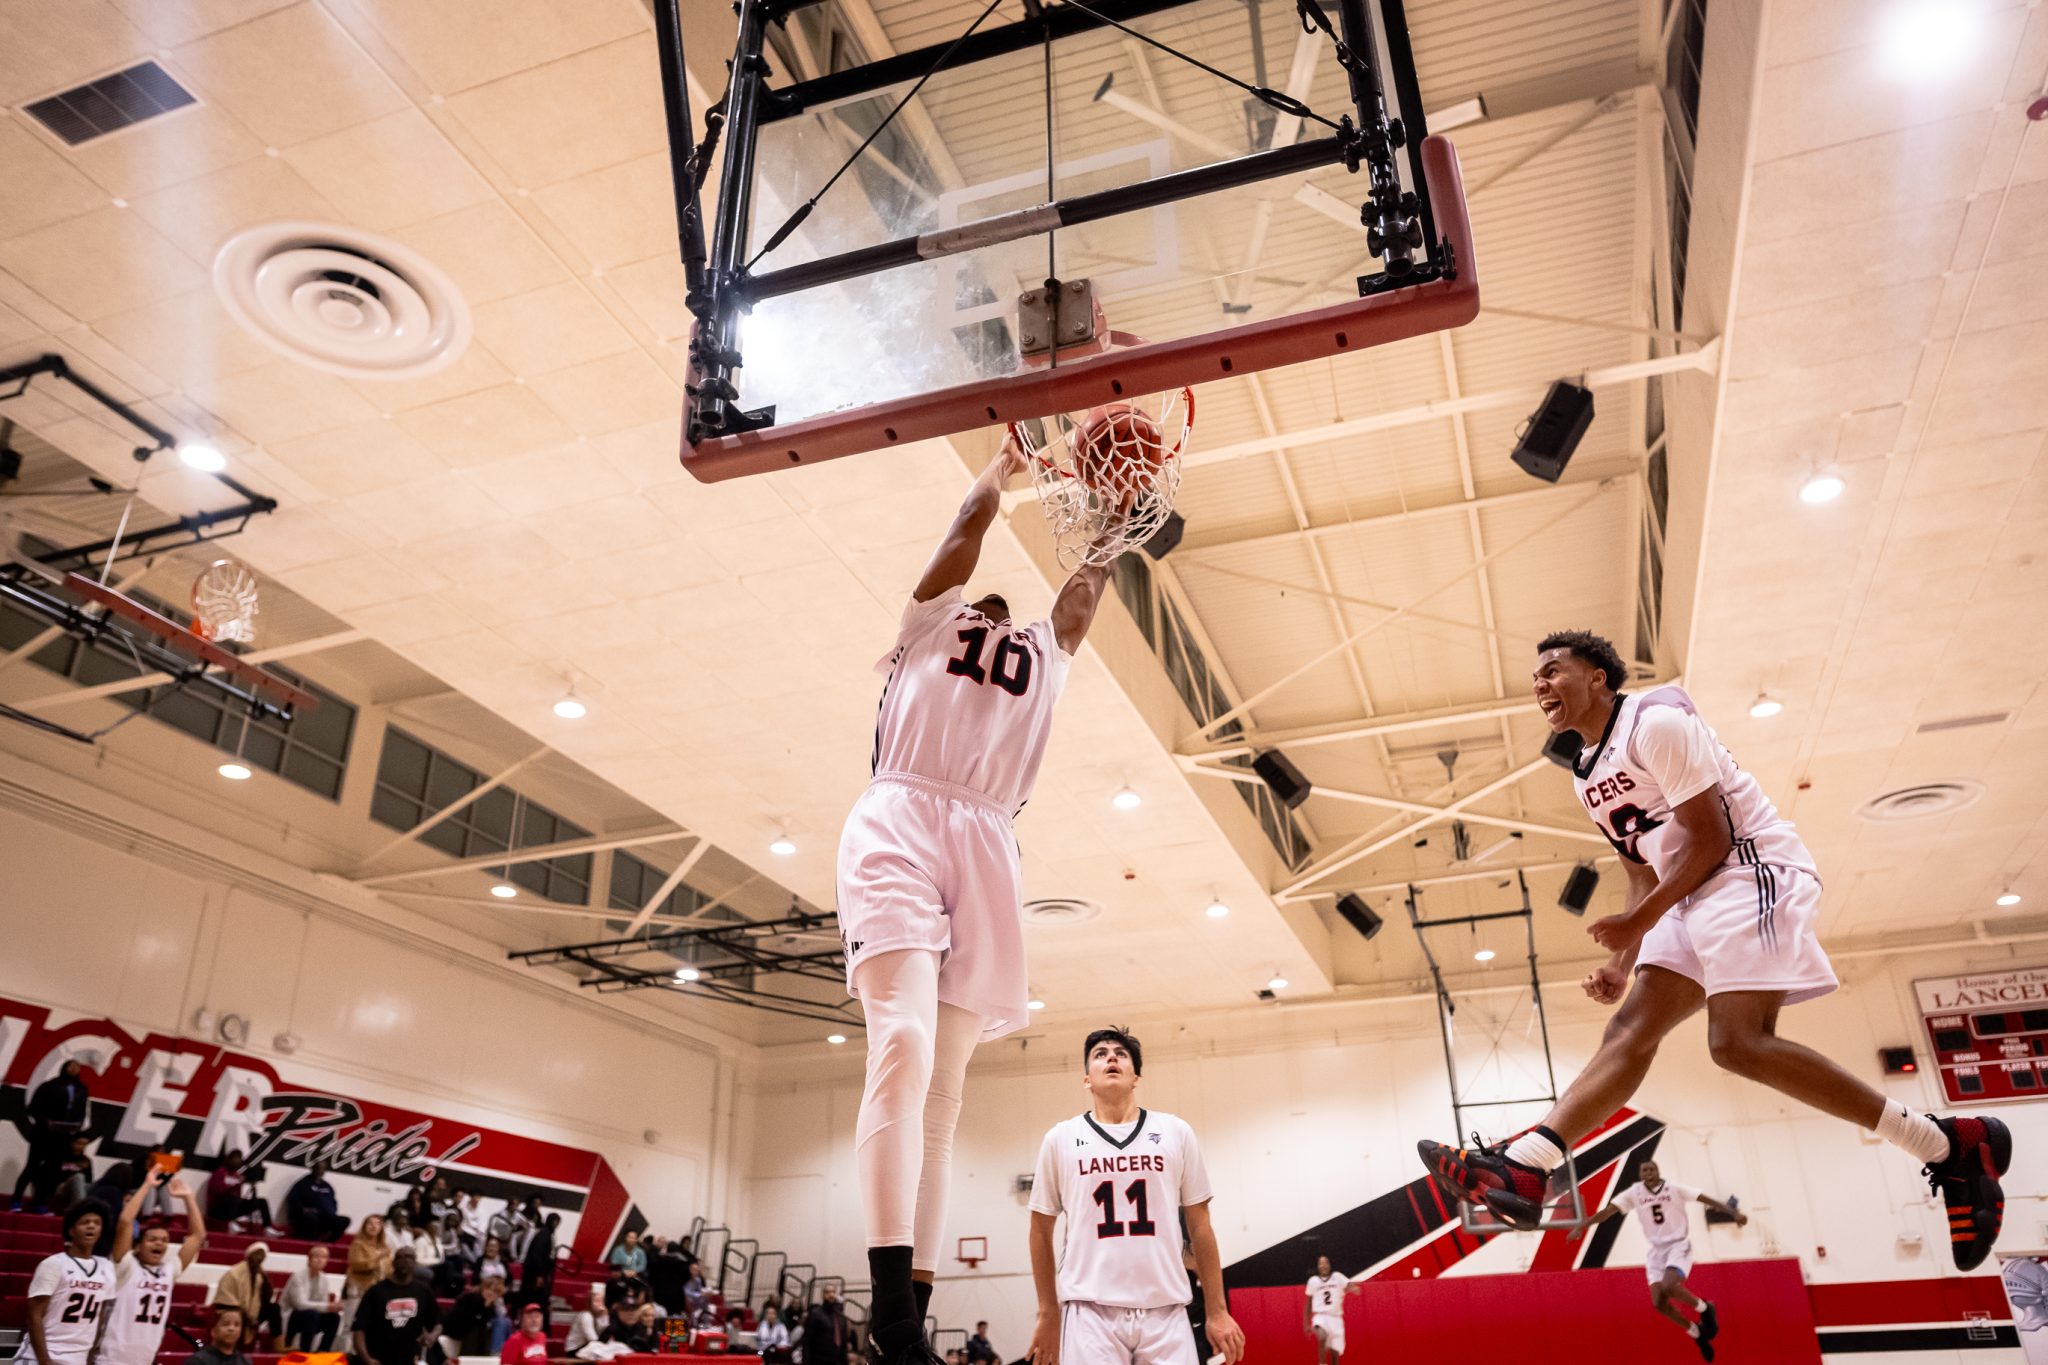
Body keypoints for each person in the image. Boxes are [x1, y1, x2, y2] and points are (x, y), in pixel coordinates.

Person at [1418, 630, 2013, 1270]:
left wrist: (1637, 922)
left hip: (1746, 866)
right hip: (1689, 891)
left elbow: (1709, 838)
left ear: (1597, 678)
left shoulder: (1657, 722)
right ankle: (1527, 1168)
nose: (1540, 685)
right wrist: (1622, 962)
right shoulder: (1585, 771)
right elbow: (1644, 869)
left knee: (1736, 1043)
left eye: (1552, 671)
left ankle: (1948, 1142)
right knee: (1629, 1029)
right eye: (1534, 678)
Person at [845, 434, 1118, 1365]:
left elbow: (1078, 604)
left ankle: (909, 1321)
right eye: (984, 599)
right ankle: (885, 1299)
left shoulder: (1042, 658)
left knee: (947, 1093)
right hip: (901, 818)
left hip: (988, 836)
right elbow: (966, 527)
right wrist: (1003, 470)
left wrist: (1113, 524)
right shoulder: (930, 627)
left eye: (1008, 605)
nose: (996, 603)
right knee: (906, 1040)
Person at [1025, 1029, 1244, 1365]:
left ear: (1136, 1076)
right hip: (1090, 1312)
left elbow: (1200, 1228)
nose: (1111, 1057)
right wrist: (1047, 1313)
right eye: (1100, 1054)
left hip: (1166, 1311)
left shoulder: (1175, 1132)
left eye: (1120, 1054)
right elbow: (1040, 1231)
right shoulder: (1061, 1139)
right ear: (1087, 1079)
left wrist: (1217, 1311)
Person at [1570, 1159, 1747, 1361]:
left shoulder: (1674, 1189)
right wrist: (1583, 1225)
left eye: (1651, 1169)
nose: (1648, 1172)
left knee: (1669, 1285)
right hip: (1656, 1251)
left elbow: (1703, 1198)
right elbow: (1608, 1211)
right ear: (1640, 1174)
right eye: (1644, 1169)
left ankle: (1705, 1308)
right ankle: (1697, 1334)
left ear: (1657, 1170)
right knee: (1659, 1303)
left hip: (1678, 1245)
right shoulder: (1634, 1193)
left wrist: (1733, 1212)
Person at [96, 1172, 206, 1365]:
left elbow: (197, 1236)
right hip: (110, 1359)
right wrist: (147, 1185)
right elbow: (125, 1222)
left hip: (144, 1360)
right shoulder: (126, 1266)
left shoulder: (168, 1271)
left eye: (164, 1240)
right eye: (152, 1239)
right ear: (138, 1245)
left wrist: (189, 1197)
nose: (159, 1244)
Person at [18, 1199, 115, 1365]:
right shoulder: (54, 1264)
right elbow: (34, 1314)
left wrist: (91, 1355)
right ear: (71, 1230)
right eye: (85, 1222)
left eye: (97, 1223)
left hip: (78, 1358)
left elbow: (100, 1317)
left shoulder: (106, 1267)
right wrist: (44, 1360)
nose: (91, 1226)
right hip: (41, 1357)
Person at [16, 1060, 92, 1213]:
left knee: (52, 1171)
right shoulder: (49, 1086)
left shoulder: (82, 1089)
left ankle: (40, 1203)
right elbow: (33, 1108)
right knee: (32, 1167)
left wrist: (78, 1125)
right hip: (43, 1134)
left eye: (77, 1067)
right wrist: (46, 1121)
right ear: (64, 1067)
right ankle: (16, 1200)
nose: (74, 1069)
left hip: (63, 1136)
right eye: (71, 1066)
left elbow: (82, 1110)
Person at [353, 1247, 441, 1365]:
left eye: (409, 1257)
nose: (405, 1260)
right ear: (393, 1263)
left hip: (409, 1358)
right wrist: (367, 1359)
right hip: (378, 1357)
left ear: (415, 1263)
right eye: (400, 1257)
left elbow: (437, 1323)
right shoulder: (376, 1291)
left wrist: (432, 1337)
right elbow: (359, 1329)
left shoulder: (423, 1291)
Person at [212, 1243, 278, 1349]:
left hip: (251, 1313)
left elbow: (267, 1298)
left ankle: (279, 1346)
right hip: (231, 1310)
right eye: (256, 1255)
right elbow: (227, 1301)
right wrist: (248, 1318)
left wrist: (265, 1277)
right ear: (249, 1256)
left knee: (274, 1308)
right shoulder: (234, 1273)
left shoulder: (259, 1276)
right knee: (238, 1315)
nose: (259, 1258)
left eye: (262, 1256)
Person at [280, 1245, 342, 1351]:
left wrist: (332, 1307)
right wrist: (328, 1306)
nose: (320, 1260)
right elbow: (300, 1304)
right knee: (311, 1314)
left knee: (334, 1317)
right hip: (291, 1316)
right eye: (316, 1257)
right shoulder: (298, 1276)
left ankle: (323, 1351)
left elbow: (323, 1305)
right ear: (309, 1259)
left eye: (323, 1257)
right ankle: (305, 1350)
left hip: (312, 1317)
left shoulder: (324, 1279)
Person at [343, 1215, 393, 1336]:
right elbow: (357, 1265)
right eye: (370, 1223)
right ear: (364, 1226)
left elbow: (388, 1271)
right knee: (351, 1324)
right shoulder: (358, 1244)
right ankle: (345, 1353)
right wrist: (378, 1257)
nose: (373, 1226)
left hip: (377, 1291)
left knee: (371, 1326)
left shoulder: (385, 1247)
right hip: (358, 1289)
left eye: (377, 1223)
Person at [1302, 1255, 1356, 1365]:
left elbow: (1348, 1285)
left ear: (1329, 1265)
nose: (1323, 1265)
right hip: (1320, 1317)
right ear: (1318, 1266)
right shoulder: (1313, 1281)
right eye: (1320, 1263)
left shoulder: (1337, 1277)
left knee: (1334, 1354)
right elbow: (1308, 1304)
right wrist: (1307, 1323)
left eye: (1325, 1263)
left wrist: (1352, 1288)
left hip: (1336, 1318)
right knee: (1322, 1335)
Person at [440, 1275, 507, 1360]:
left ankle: (486, 1359)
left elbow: (482, 1322)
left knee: (485, 1331)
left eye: (494, 1291)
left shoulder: (490, 1306)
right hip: (455, 1327)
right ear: (483, 1287)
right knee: (475, 1330)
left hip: (469, 1330)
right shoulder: (470, 1297)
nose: (490, 1292)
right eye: (488, 1288)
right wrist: (484, 1308)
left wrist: (486, 1306)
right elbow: (468, 1320)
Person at [204, 1152, 271, 1234]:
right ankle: (231, 1224)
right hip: (217, 1207)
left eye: (239, 1160)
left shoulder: (237, 1175)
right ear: (229, 1160)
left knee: (261, 1201)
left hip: (232, 1206)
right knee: (232, 1198)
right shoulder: (220, 1173)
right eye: (235, 1159)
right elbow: (218, 1192)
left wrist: (242, 1182)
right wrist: (234, 1186)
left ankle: (267, 1228)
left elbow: (238, 1196)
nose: (237, 1162)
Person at [286, 1162, 349, 1243]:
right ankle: (312, 1242)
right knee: (311, 1217)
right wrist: (304, 1209)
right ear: (313, 1169)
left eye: (323, 1169)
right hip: (307, 1218)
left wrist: (331, 1213)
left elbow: (333, 1203)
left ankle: (329, 1243)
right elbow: (292, 1199)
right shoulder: (302, 1183)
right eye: (318, 1168)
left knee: (345, 1220)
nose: (320, 1171)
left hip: (325, 1218)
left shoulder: (327, 1186)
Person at [520, 1213, 559, 1311]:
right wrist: (540, 1275)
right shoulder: (544, 1234)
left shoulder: (549, 1234)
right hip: (535, 1274)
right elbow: (537, 1255)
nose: (555, 1224)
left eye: (557, 1222)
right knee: (532, 1298)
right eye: (554, 1221)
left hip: (540, 1273)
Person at [186, 1307, 251, 1365]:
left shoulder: (245, 1361)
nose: (231, 1328)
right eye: (225, 1324)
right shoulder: (198, 1361)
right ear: (213, 1331)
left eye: (237, 1325)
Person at [800, 1288, 849, 1365]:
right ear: (822, 1295)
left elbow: (843, 1345)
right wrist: (806, 1361)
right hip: (818, 1360)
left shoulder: (841, 1317)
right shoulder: (815, 1314)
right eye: (827, 1292)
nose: (831, 1295)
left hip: (836, 1360)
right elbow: (807, 1341)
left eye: (833, 1292)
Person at [564, 1286, 610, 1359]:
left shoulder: (598, 1316)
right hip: (574, 1349)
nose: (600, 1304)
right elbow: (592, 1338)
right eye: (597, 1301)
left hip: (587, 1346)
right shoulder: (586, 1315)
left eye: (602, 1301)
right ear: (590, 1303)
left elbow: (605, 1333)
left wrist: (605, 1316)